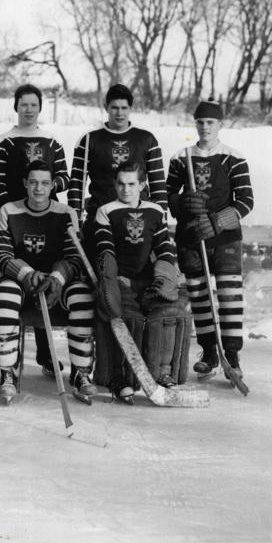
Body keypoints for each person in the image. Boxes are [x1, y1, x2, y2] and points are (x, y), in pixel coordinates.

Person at [165, 99, 254, 379]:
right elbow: (166, 196)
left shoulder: (233, 158)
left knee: (229, 296)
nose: (205, 127)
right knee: (199, 296)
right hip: (191, 237)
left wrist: (218, 221)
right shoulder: (181, 157)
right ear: (195, 124)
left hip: (225, 238)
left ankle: (232, 355)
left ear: (220, 124)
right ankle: (209, 353)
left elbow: (246, 201)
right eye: (201, 122)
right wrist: (182, 202)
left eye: (211, 122)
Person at [0, 161, 94, 403]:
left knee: (82, 296)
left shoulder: (66, 213)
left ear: (52, 186)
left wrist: (56, 278)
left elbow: (74, 258)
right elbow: (3, 256)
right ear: (25, 183)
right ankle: (8, 371)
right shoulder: (8, 211)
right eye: (34, 182)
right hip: (22, 281)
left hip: (57, 283)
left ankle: (80, 371)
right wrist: (28, 274)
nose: (39, 188)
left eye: (45, 183)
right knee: (4, 295)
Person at [93, 161, 179, 403]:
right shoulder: (106, 210)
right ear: (114, 184)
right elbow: (105, 250)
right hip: (119, 280)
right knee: (127, 318)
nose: (126, 189)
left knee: (168, 313)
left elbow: (164, 249)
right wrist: (112, 280)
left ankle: (160, 373)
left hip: (148, 281)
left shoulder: (155, 211)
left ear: (142, 185)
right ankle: (120, 377)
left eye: (131, 184)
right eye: (121, 184)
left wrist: (164, 277)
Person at [67, 83, 167, 257]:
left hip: (138, 221)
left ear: (131, 108)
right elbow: (76, 185)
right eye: (114, 108)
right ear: (106, 107)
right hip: (100, 219)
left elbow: (158, 186)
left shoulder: (146, 139)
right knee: (102, 267)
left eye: (124, 108)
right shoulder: (90, 140)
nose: (119, 113)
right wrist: (76, 222)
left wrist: (162, 221)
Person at [0, 83, 69, 212]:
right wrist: (10, 212)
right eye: (24, 105)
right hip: (13, 212)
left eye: (34, 105)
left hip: (48, 214)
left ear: (40, 108)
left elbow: (64, 178)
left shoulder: (52, 141)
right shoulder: (3, 142)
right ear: (16, 107)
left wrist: (46, 186)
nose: (29, 110)